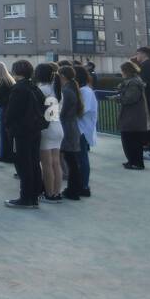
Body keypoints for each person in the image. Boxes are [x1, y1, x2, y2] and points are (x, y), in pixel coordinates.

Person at [3, 60, 46, 209]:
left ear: (15, 72)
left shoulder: (18, 89)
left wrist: (8, 127)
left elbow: (11, 113)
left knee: (23, 164)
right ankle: (34, 196)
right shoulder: (34, 87)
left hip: (21, 132)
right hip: (35, 130)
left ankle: (25, 197)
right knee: (34, 163)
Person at [34, 63, 64, 202]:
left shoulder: (41, 89)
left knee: (46, 164)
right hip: (58, 126)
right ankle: (56, 192)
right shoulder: (57, 90)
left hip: (47, 128)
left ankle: (49, 193)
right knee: (56, 163)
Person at [57, 65, 86, 200]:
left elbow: (61, 112)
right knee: (73, 161)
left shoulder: (66, 91)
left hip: (67, 128)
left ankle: (73, 190)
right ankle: (76, 188)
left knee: (71, 161)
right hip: (71, 127)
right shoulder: (72, 89)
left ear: (62, 76)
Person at [117, 60, 150, 170]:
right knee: (131, 140)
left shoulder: (133, 83)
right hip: (134, 115)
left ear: (126, 71)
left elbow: (130, 98)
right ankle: (132, 161)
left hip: (132, 116)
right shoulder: (134, 81)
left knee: (131, 140)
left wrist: (118, 98)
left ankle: (136, 162)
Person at [75, 64, 98, 197]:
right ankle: (81, 184)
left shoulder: (86, 91)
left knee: (82, 158)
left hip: (82, 129)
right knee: (79, 158)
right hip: (80, 128)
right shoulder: (83, 90)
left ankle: (84, 185)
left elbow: (83, 110)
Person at [0, 61, 16, 163]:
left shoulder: (1, 82)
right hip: (10, 107)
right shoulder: (10, 80)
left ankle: (5, 155)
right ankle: (10, 154)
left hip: (5, 108)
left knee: (3, 131)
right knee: (7, 133)